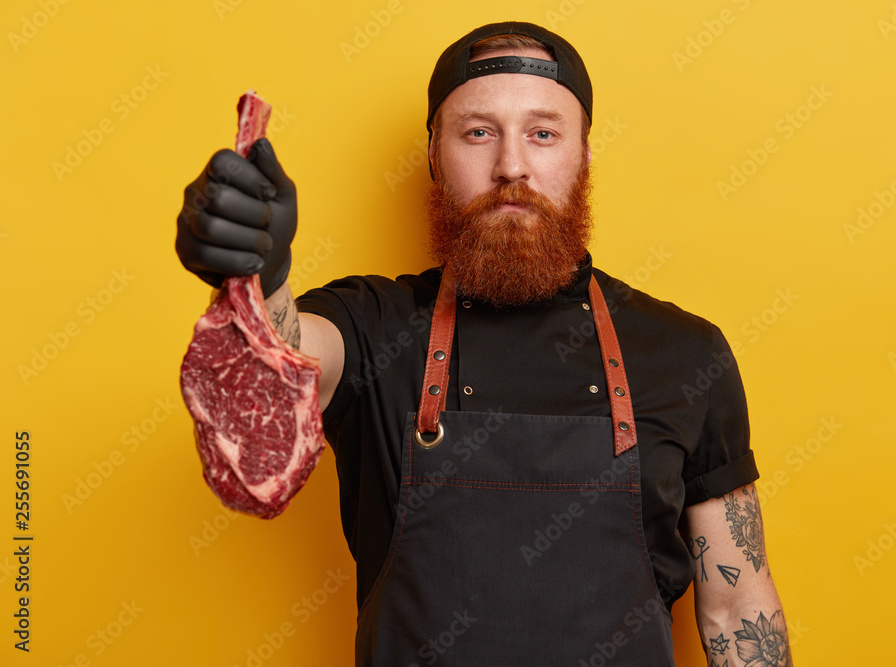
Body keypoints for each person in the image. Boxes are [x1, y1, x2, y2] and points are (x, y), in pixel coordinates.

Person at [176, 21, 794, 667]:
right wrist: (258, 278)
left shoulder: (684, 352)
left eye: (543, 133)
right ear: (436, 155)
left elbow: (736, 603)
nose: (512, 166)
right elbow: (288, 358)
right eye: (478, 132)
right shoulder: (373, 324)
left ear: (583, 153)